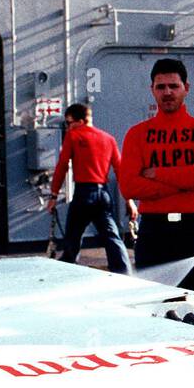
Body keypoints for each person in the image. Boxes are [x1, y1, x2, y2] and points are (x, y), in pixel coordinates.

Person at [119, 58, 194, 296]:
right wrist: (185, 184)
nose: (167, 92)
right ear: (152, 90)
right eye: (161, 87)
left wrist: (156, 174)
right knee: (153, 305)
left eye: (173, 86)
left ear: (186, 88)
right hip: (153, 233)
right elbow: (129, 186)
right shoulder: (137, 134)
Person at [47, 103, 134, 274]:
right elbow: (121, 171)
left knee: (73, 236)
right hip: (103, 194)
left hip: (83, 194)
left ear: (79, 121)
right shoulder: (109, 139)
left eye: (68, 122)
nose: (68, 126)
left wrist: (53, 195)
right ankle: (124, 272)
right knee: (112, 236)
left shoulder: (73, 136)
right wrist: (129, 200)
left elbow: (62, 166)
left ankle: (66, 270)